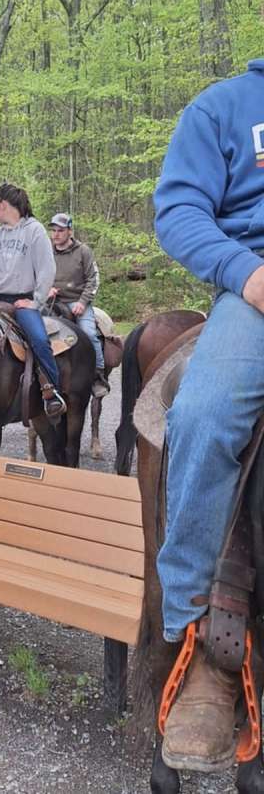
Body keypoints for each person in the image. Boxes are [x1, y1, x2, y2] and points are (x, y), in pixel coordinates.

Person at [154, 57, 264, 772]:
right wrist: (246, 274)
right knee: (203, 412)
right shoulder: (223, 107)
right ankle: (200, 636)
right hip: (254, 286)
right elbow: (178, 211)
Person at [0, 183, 66, 418]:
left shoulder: (34, 231)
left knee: (38, 339)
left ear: (3, 205)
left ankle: (51, 393)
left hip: (22, 302)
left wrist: (35, 302)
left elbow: (47, 269)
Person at [47, 212, 109, 397]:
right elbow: (37, 275)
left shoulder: (83, 251)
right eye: (54, 230)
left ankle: (98, 375)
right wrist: (46, 289)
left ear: (69, 231)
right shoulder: (47, 251)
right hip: (52, 301)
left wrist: (83, 302)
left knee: (89, 333)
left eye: (60, 230)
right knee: (37, 333)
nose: (56, 234)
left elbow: (93, 279)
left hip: (77, 301)